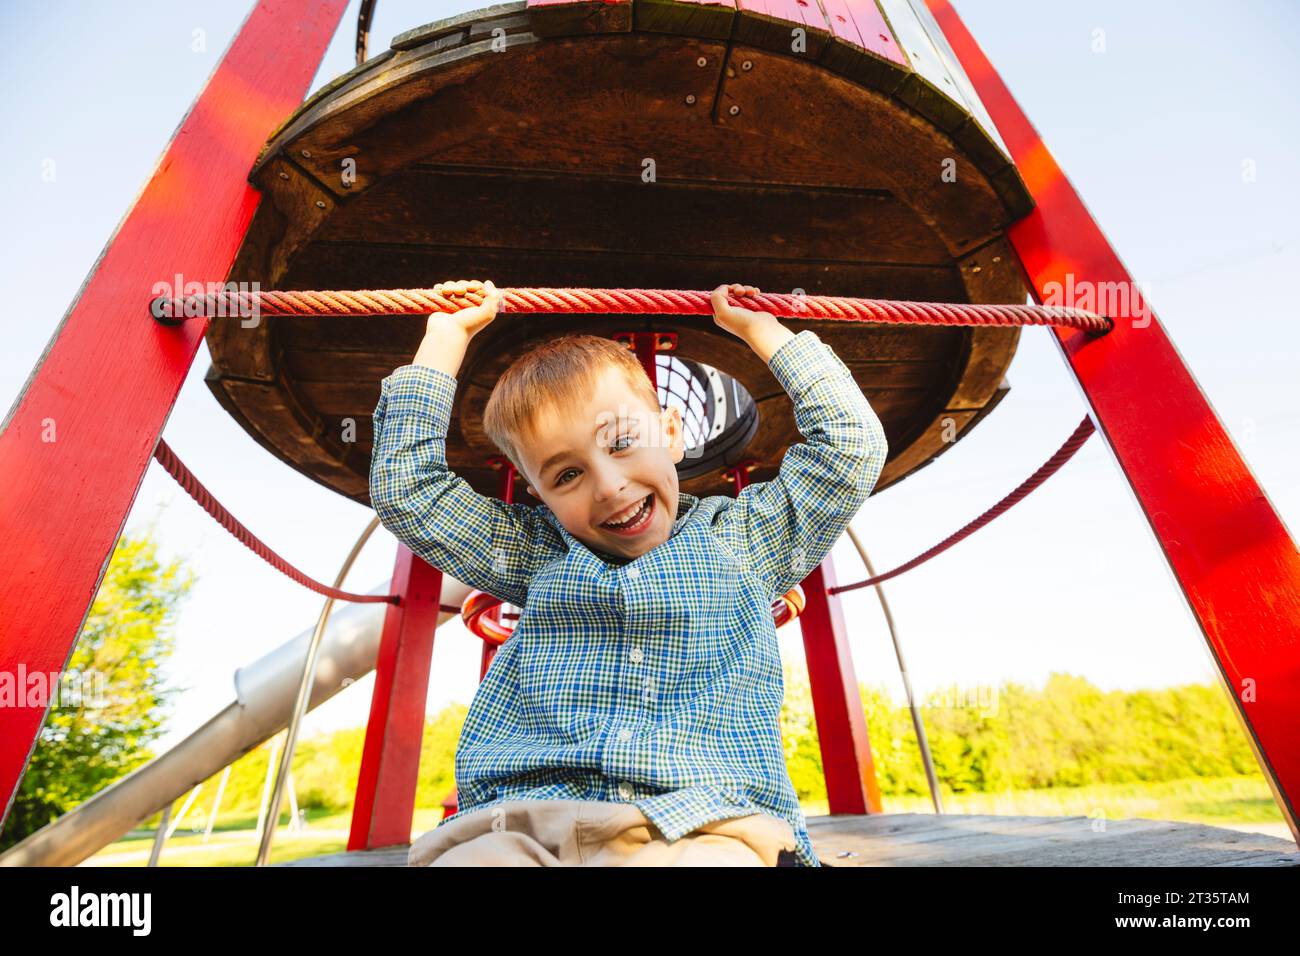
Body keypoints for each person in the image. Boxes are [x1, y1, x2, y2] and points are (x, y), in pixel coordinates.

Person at [369, 280, 888, 866]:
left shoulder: (743, 541)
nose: (609, 485)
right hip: (531, 818)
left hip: (701, 820)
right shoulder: (533, 552)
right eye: (566, 475)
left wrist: (761, 331)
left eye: (621, 443)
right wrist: (444, 340)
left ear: (671, 433)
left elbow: (848, 446)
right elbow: (408, 492)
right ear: (536, 493)